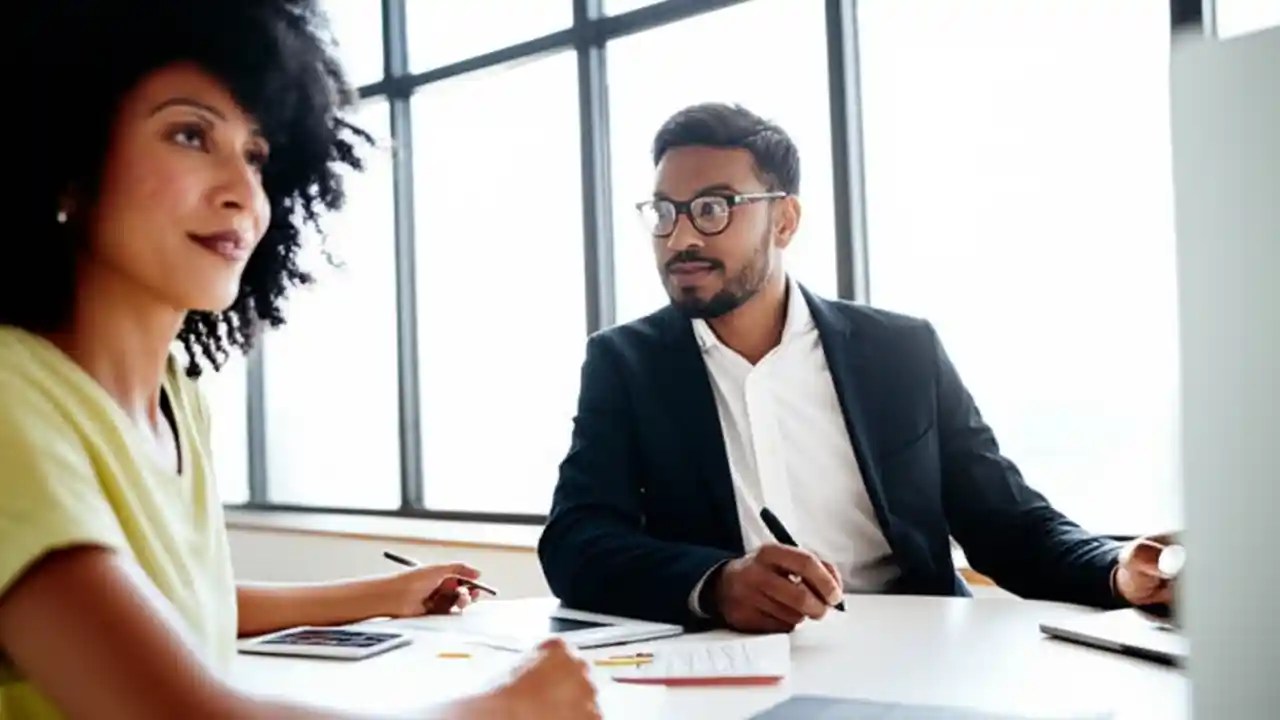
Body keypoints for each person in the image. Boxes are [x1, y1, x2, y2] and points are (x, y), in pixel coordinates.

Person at [0, 2, 598, 718]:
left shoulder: (174, 398)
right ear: (66, 162)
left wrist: (379, 594)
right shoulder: (11, 401)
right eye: (190, 135)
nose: (243, 194)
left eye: (255, 155)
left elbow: (168, 600)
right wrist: (500, 712)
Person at [538, 102, 1176, 633]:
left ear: (783, 220)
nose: (680, 238)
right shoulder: (627, 363)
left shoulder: (901, 351)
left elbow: (1006, 524)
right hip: (735, 665)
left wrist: (1116, 567)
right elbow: (576, 541)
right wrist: (717, 584)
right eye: (664, 213)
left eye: (713, 208)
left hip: (918, 659)